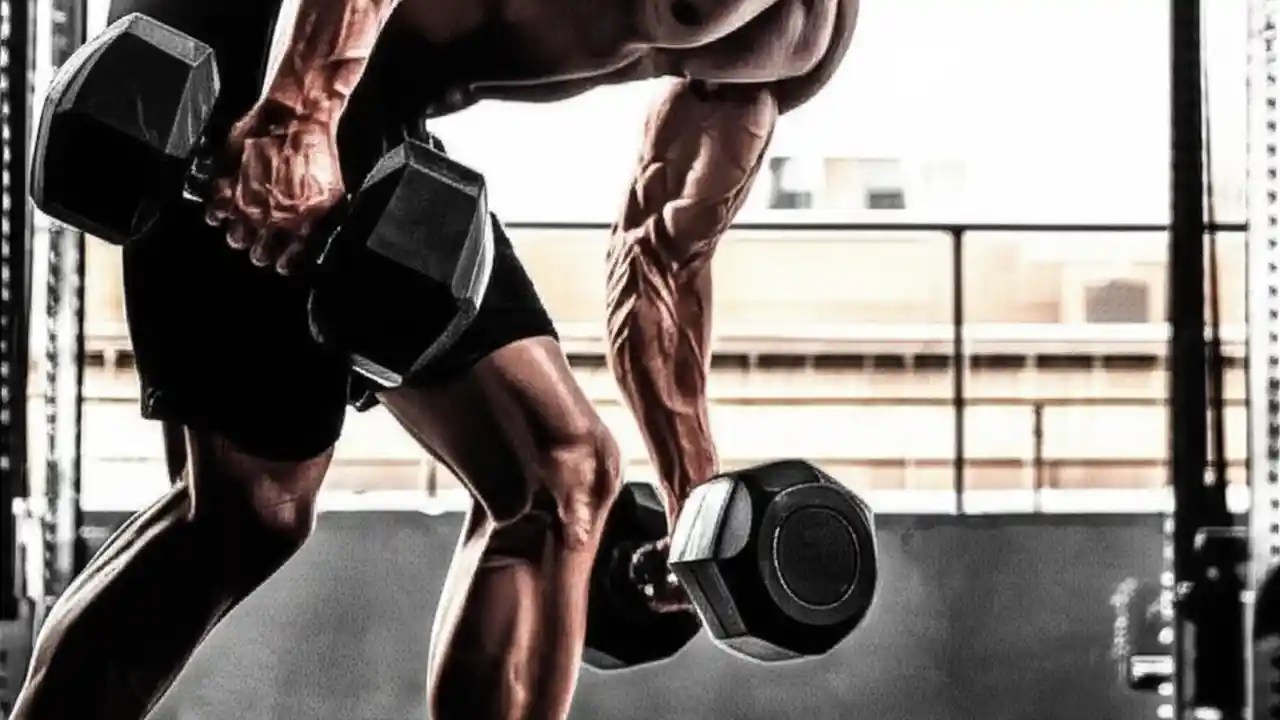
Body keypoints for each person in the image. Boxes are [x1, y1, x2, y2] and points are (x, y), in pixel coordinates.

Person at [9, 0, 858, 716]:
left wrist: (695, 506)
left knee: (558, 477)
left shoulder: (802, 32)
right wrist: (297, 109)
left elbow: (661, 258)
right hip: (268, 35)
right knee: (250, 514)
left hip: (372, 96)